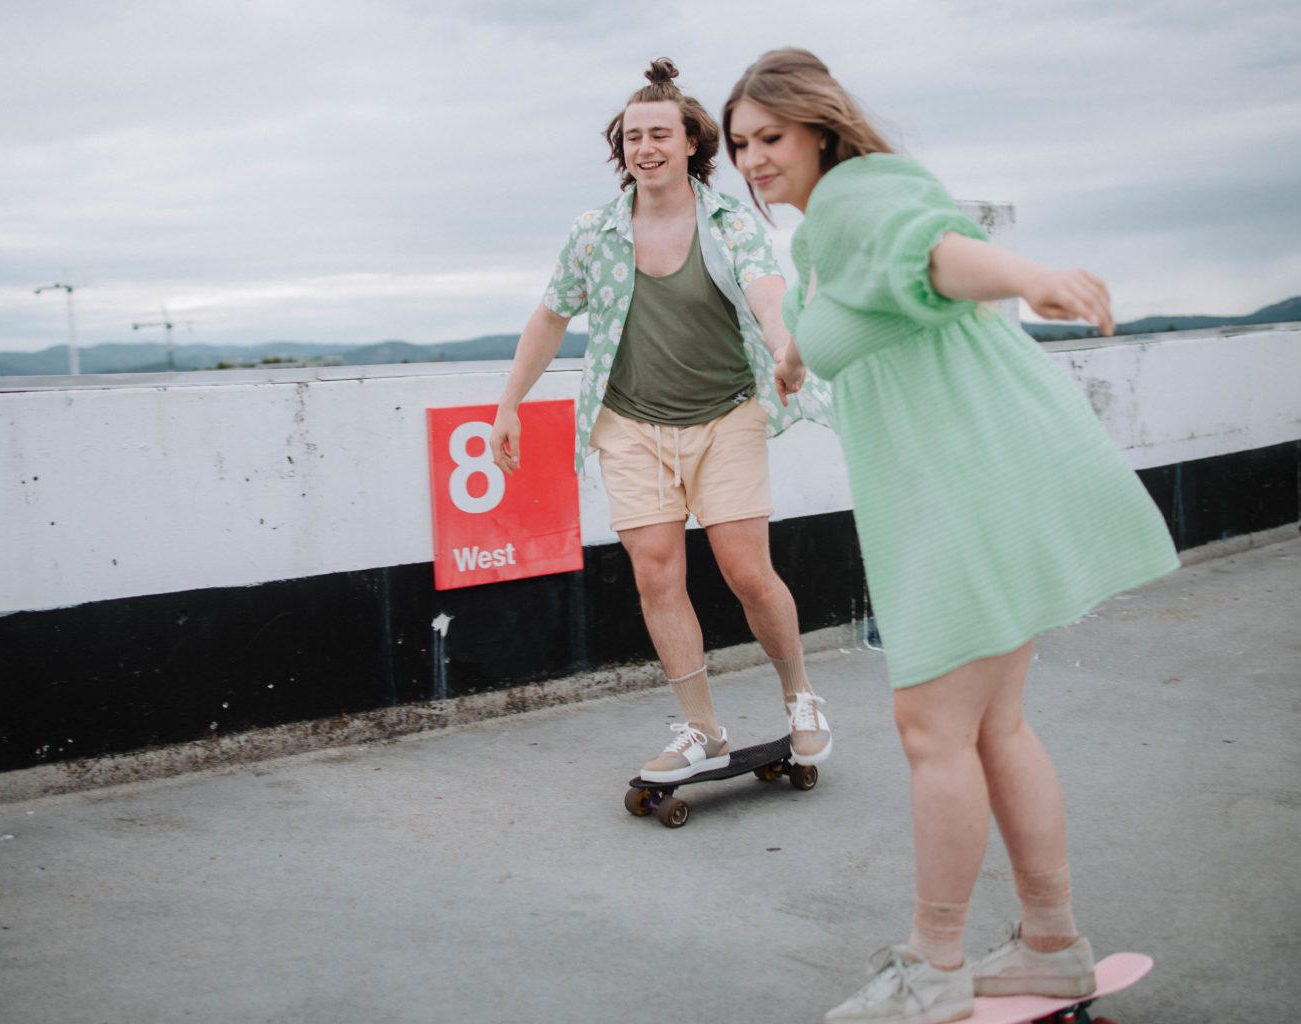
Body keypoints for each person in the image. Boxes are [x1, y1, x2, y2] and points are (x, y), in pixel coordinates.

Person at [722, 49, 1179, 1024]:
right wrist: (796, 351)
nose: (753, 159)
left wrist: (1033, 277)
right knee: (992, 725)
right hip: (970, 481)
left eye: (769, 137)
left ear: (818, 127)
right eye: (739, 144)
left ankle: (934, 968)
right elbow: (856, 302)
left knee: (932, 731)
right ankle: (1052, 946)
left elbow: (934, 254)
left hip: (955, 495)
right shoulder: (824, 234)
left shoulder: (856, 197)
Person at [489, 58, 835, 783]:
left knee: (747, 572)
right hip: (631, 424)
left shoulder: (727, 219)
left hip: (726, 414)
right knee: (655, 577)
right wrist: (509, 405)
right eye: (632, 136)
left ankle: (801, 696)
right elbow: (550, 317)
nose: (645, 147)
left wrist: (784, 347)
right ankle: (702, 729)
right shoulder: (596, 234)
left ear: (690, 145)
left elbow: (767, 291)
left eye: (660, 135)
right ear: (622, 150)